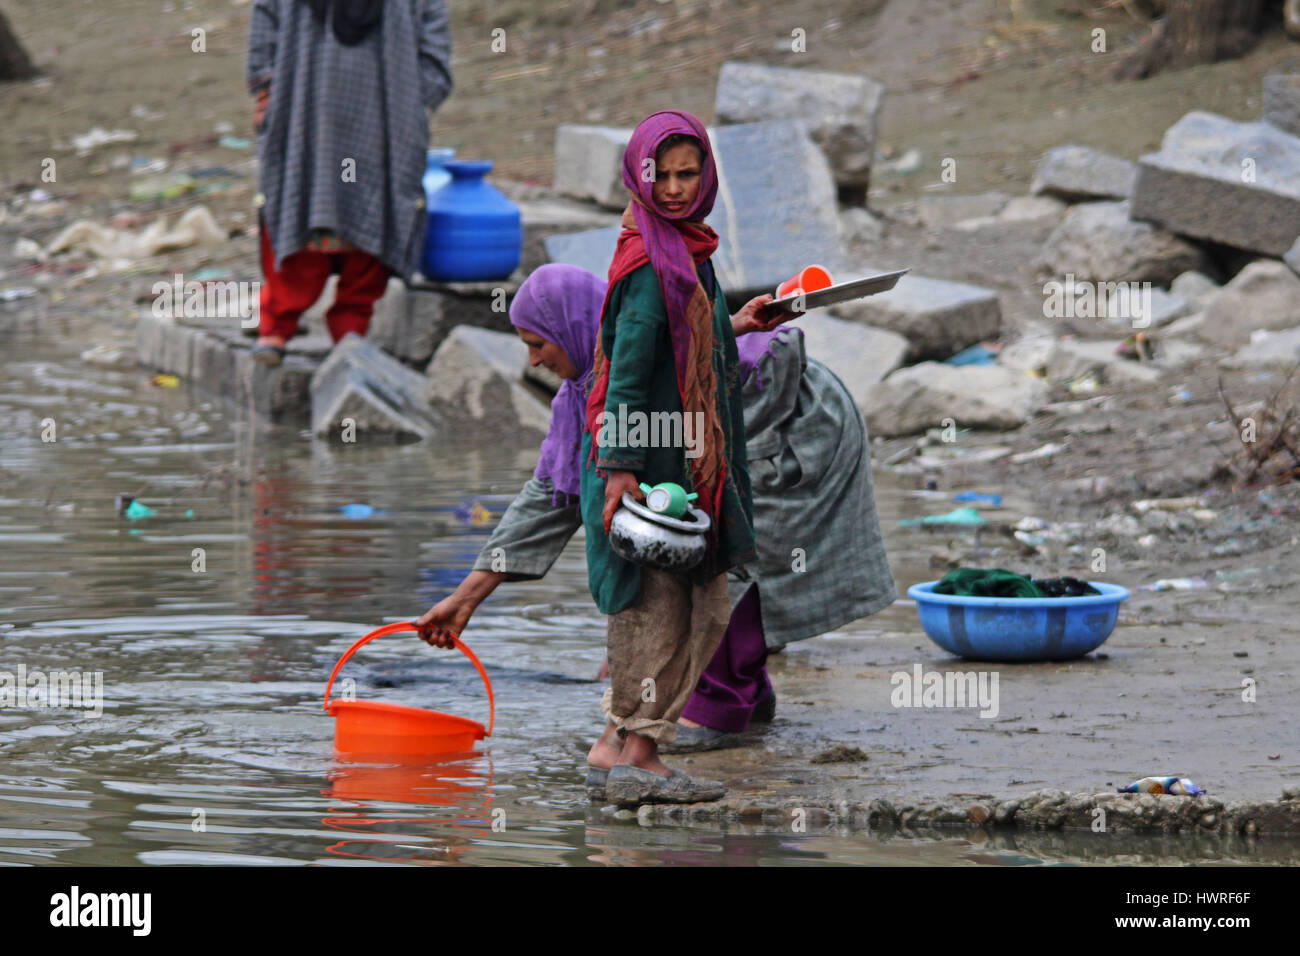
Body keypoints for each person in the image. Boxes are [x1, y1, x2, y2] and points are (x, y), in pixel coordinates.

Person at [417, 112, 780, 807]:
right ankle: (637, 757)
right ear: (639, 178)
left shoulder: (681, 254)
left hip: (676, 474)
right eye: (661, 176)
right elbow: (630, 373)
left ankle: (617, 747)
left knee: (690, 612)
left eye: (687, 173)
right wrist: (620, 470)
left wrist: (734, 323)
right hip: (654, 487)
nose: (674, 189)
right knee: (666, 616)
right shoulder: (651, 270)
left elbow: (667, 353)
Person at [664, 325, 898, 752]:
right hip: (775, 419)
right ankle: (749, 688)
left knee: (743, 560)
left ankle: (718, 705)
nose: (534, 362)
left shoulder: (749, 375)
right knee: (736, 554)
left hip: (790, 434)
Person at [245, 0, 453, 366]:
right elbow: (267, 19)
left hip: (387, 108)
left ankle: (352, 329)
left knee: (378, 209)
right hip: (303, 105)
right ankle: (277, 325)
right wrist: (267, 86)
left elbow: (433, 39)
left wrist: (418, 97)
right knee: (298, 209)